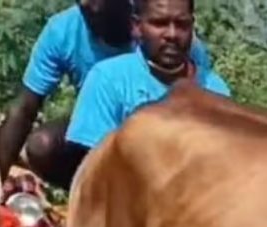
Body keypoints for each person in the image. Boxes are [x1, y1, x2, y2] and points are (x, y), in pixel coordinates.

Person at [0, 0, 214, 190]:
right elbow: (24, 109)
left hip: (164, 135)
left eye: (101, 5)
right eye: (85, 5)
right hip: (99, 134)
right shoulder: (63, 31)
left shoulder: (174, 42)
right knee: (43, 145)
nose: (90, 7)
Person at [60, 0, 230, 179]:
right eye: (159, 23)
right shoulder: (107, 79)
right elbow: (92, 164)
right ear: (137, 27)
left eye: (182, 24)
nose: (172, 34)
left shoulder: (215, 90)